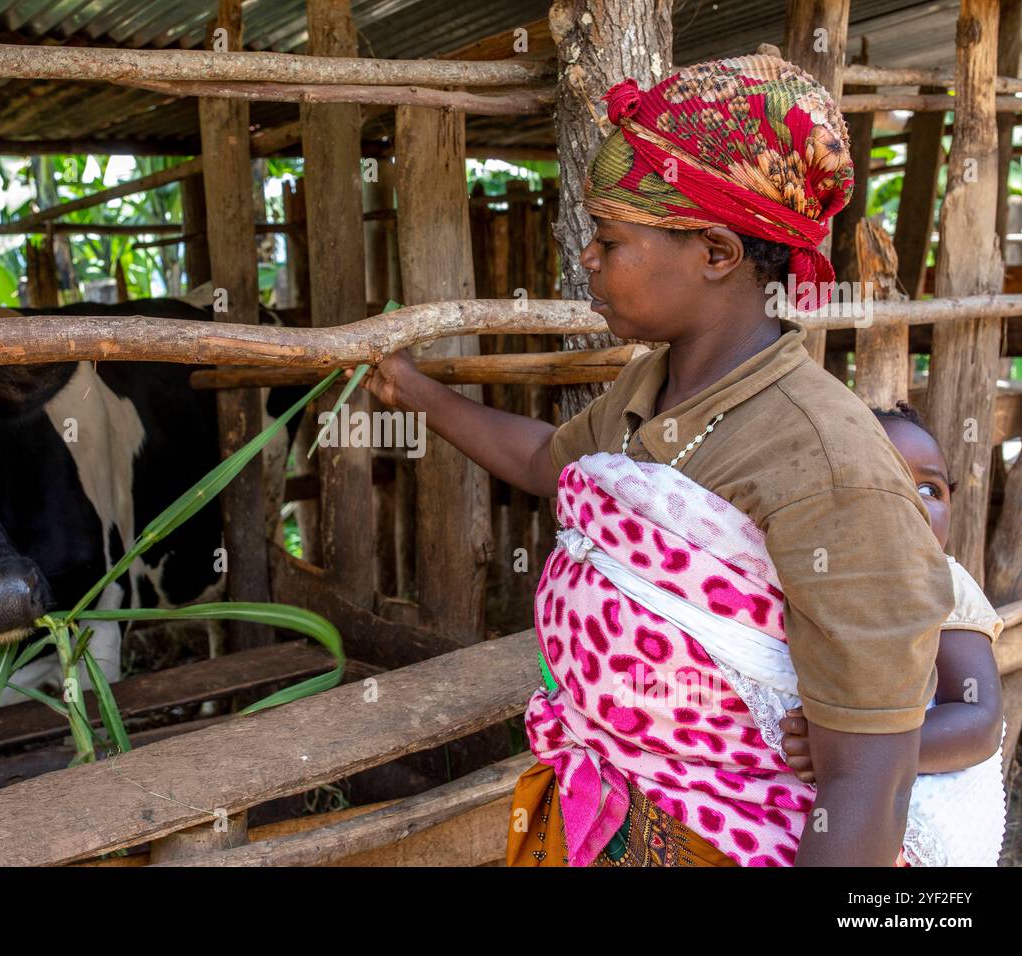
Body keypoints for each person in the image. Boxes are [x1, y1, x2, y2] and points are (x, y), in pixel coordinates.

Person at [349, 54, 954, 866]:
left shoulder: (826, 466)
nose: (587, 261)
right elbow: (548, 463)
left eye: (609, 240)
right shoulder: (657, 383)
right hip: (612, 812)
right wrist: (417, 392)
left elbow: (865, 785)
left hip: (725, 842)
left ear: (714, 252)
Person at [778, 402, 1005, 864]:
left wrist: (855, 753)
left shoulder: (943, 583)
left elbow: (979, 719)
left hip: (911, 780)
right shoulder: (803, 571)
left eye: (929, 488)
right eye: (884, 482)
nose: (911, 504)